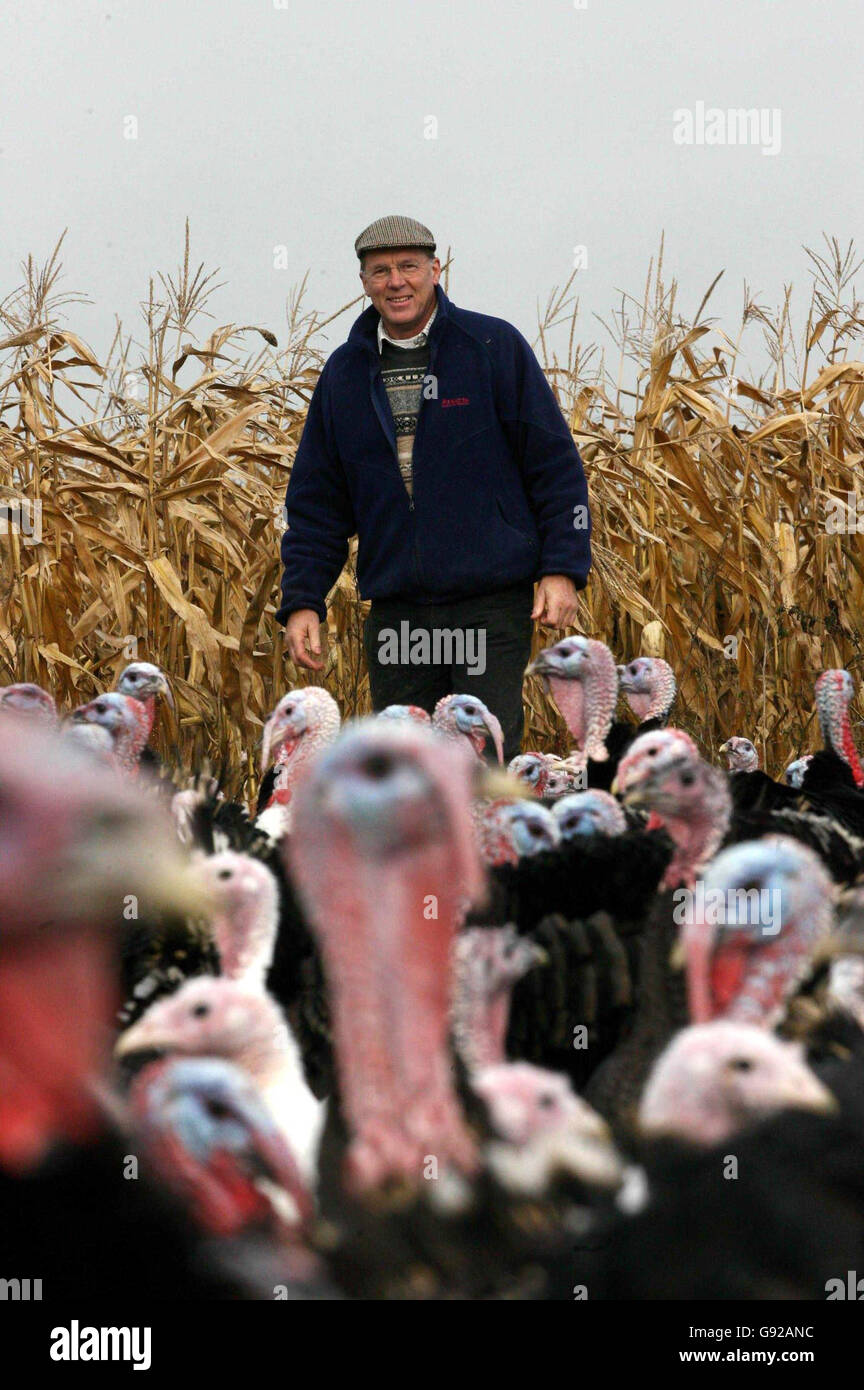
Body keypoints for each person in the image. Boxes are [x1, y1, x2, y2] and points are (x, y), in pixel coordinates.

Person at [277, 214, 592, 758]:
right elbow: (317, 502)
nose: (395, 282)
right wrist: (304, 599)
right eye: (380, 271)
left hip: (489, 604)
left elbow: (554, 467)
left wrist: (561, 568)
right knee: (403, 771)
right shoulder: (345, 373)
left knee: (481, 760)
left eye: (408, 267)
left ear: (434, 270)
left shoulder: (492, 346)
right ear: (364, 282)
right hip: (399, 610)